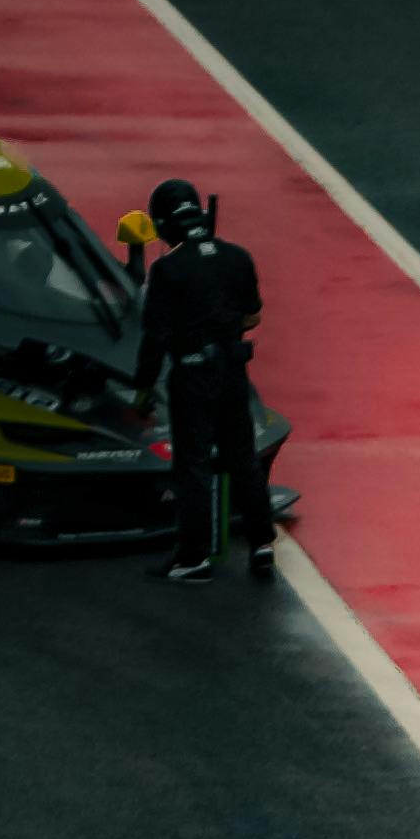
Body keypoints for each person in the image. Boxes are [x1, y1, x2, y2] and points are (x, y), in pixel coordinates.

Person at [133, 175, 272, 587]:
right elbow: (253, 316)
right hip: (232, 368)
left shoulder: (167, 270)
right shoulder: (238, 257)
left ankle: (194, 556)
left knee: (193, 465)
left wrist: (142, 388)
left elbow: (155, 337)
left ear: (163, 225)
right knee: (242, 457)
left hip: (193, 374)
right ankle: (262, 543)